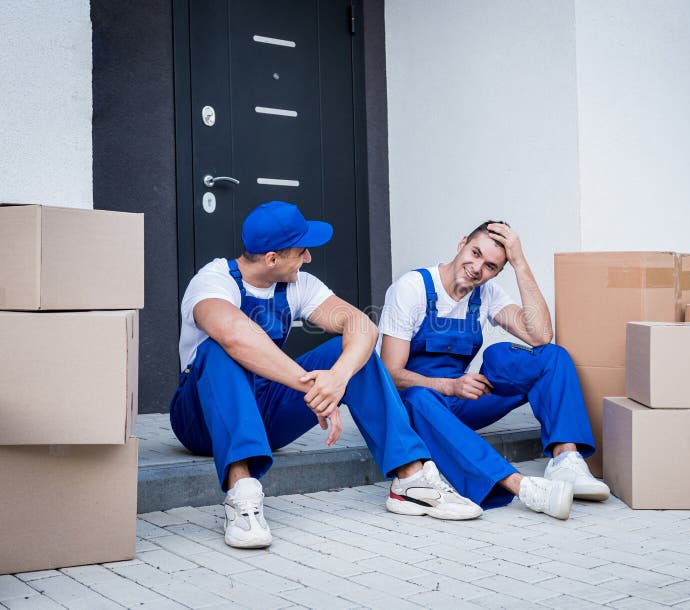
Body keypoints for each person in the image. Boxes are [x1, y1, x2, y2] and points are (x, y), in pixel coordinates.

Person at [170, 201, 482, 549]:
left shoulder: (299, 284)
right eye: (302, 252)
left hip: (264, 411)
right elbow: (234, 335)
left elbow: (361, 325)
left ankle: (410, 478)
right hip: (200, 420)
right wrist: (312, 386)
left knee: (348, 351)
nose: (308, 259)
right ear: (272, 258)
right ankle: (242, 494)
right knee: (219, 348)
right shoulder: (212, 281)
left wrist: (337, 378)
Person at [378, 220, 609, 520]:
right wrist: (449, 386)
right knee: (418, 398)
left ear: (498, 272)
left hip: (459, 400)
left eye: (490, 266)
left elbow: (540, 336)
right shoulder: (413, 288)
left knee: (550, 357)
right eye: (474, 253)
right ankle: (520, 486)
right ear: (461, 244)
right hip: (415, 406)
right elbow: (390, 374)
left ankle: (566, 460)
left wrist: (520, 262)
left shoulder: (486, 293)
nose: (477, 268)